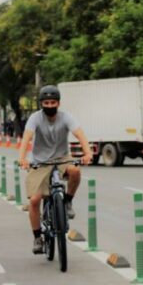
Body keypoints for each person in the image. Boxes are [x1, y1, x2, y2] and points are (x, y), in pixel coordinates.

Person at [19, 85, 93, 255]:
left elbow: (80, 134)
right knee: (35, 200)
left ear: (58, 103)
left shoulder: (66, 117)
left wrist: (87, 152)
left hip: (62, 159)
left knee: (75, 171)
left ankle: (67, 201)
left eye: (53, 102)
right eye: (46, 102)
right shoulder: (35, 118)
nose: (50, 105)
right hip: (40, 162)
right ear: (41, 104)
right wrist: (22, 158)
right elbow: (27, 137)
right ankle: (38, 237)